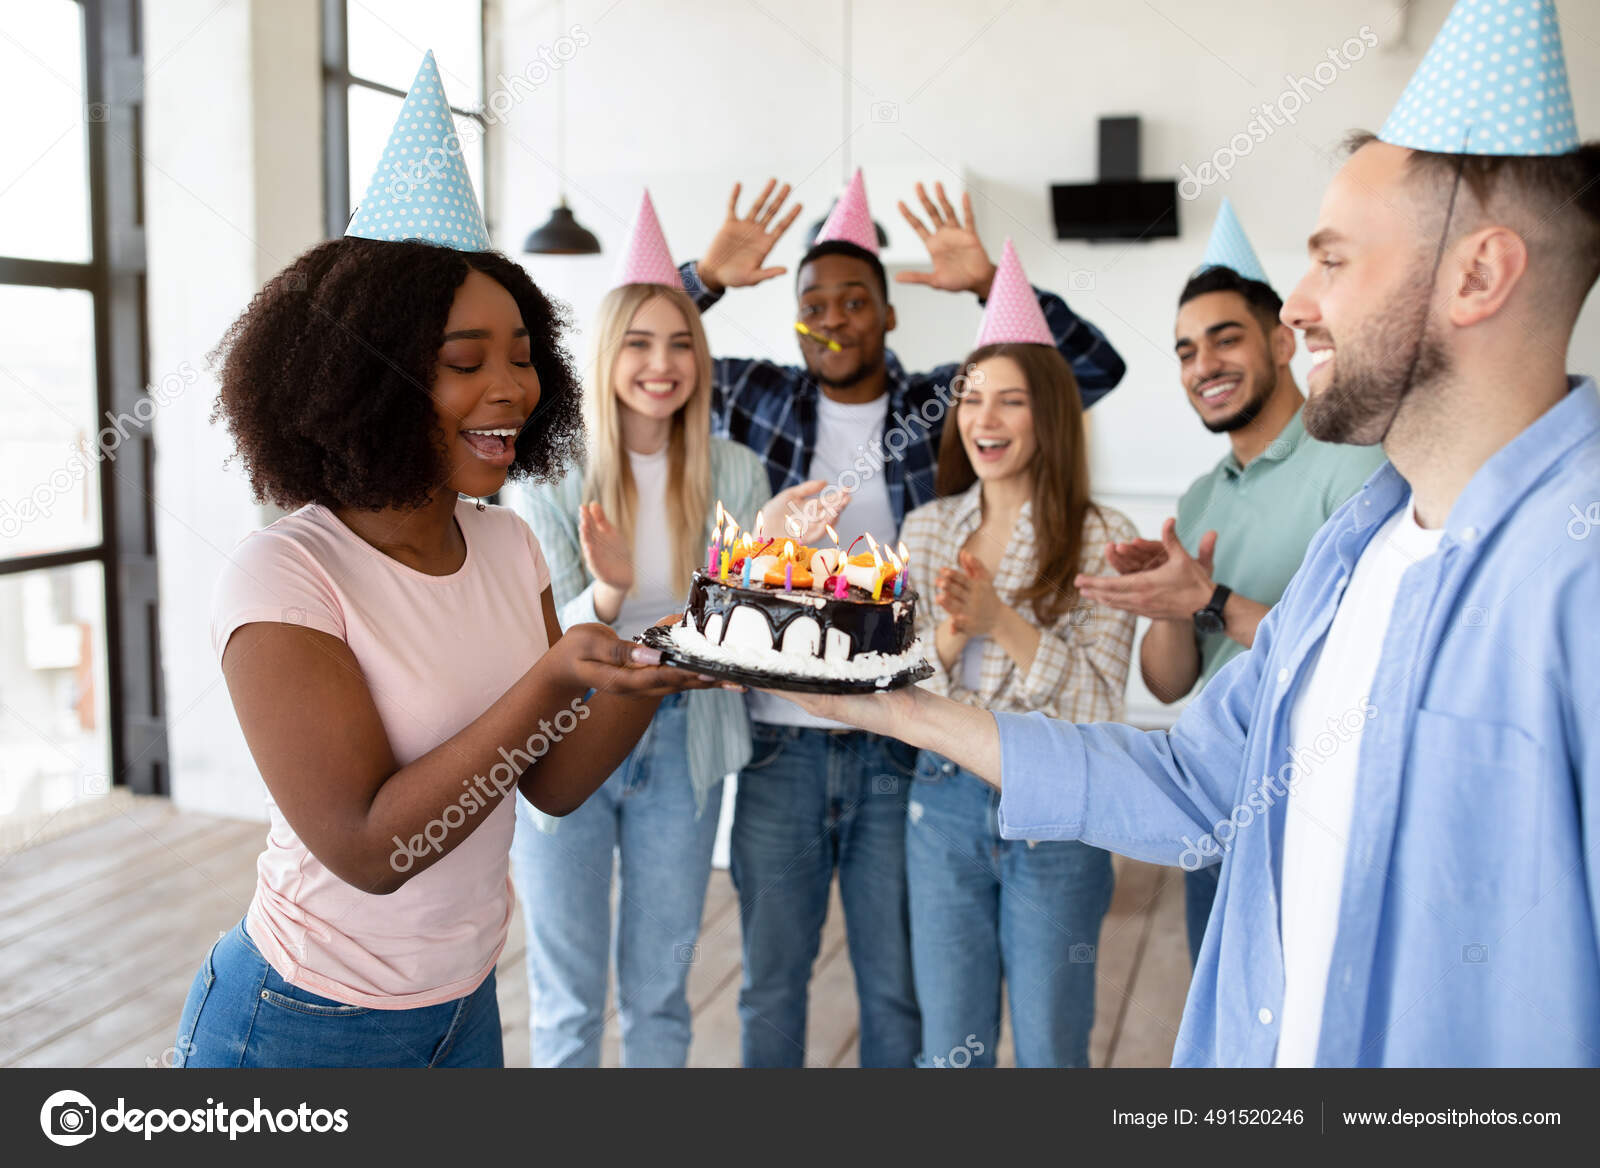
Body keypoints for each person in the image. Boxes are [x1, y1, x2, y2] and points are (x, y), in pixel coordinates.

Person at [772, 0, 1600, 1066]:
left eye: (1333, 261)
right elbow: (1195, 784)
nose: (1295, 307)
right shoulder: (1353, 551)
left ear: (1477, 276)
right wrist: (901, 709)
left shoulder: (1576, 574)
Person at [173, 56, 715, 1069]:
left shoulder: (507, 543)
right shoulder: (284, 577)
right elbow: (374, 849)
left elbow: (550, 783)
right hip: (300, 1021)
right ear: (362, 381)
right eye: (466, 362)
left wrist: (659, 665)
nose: (513, 387)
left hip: (464, 1005)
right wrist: (555, 675)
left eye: (523, 354)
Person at [680, 170, 1128, 1066]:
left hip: (906, 739)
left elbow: (1084, 373)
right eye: (814, 305)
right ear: (796, 319)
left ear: (888, 314)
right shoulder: (757, 396)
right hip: (782, 740)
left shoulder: (942, 406)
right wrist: (705, 280)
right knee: (771, 979)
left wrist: (986, 285)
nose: (834, 319)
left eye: (855, 301)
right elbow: (643, 363)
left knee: (900, 986)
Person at [1075, 201, 1382, 965]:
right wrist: (1168, 606)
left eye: (1226, 338)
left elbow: (1357, 656)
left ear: (1282, 341)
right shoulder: (1200, 498)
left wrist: (1209, 600)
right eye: (1186, 351)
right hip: (1218, 795)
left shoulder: (1356, 462)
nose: (1203, 365)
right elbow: (1169, 683)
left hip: (1318, 800)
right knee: (1222, 1003)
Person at [506, 192, 771, 1067]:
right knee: (567, 1002)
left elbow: (744, 620)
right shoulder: (549, 475)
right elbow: (544, 640)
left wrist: (764, 579)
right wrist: (612, 590)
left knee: (660, 996)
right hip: (565, 737)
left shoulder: (737, 471)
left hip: (685, 739)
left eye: (681, 343)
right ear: (607, 354)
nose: (663, 364)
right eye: (640, 343)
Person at [898, 242, 1137, 1067]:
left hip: (1059, 812)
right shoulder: (928, 528)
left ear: (1051, 416)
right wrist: (955, 632)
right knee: (949, 1049)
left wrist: (1001, 621)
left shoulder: (1104, 538)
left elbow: (1099, 707)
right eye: (971, 400)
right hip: (941, 806)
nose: (985, 420)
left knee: (1050, 1049)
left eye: (1011, 402)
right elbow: (898, 688)